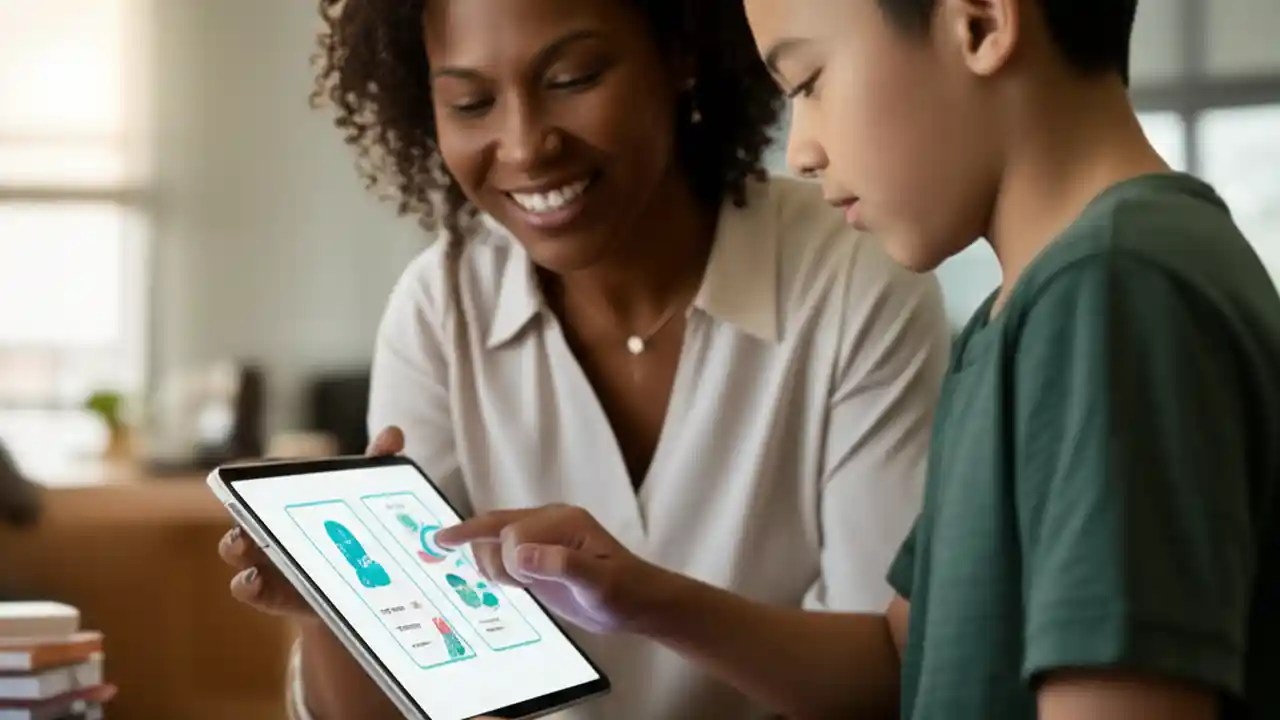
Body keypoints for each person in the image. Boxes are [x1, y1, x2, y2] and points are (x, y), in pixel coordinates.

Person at [436, 0, 1280, 718]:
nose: (800, 148)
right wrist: (637, 596)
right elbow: (894, 659)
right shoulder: (1018, 315)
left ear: (981, 23)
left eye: (808, 82)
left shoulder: (1115, 292)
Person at [217, 0, 949, 718]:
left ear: (680, 54)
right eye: (471, 103)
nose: (526, 144)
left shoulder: (851, 281)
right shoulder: (442, 307)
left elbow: (886, 679)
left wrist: (645, 600)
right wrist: (332, 608)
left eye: (572, 79)